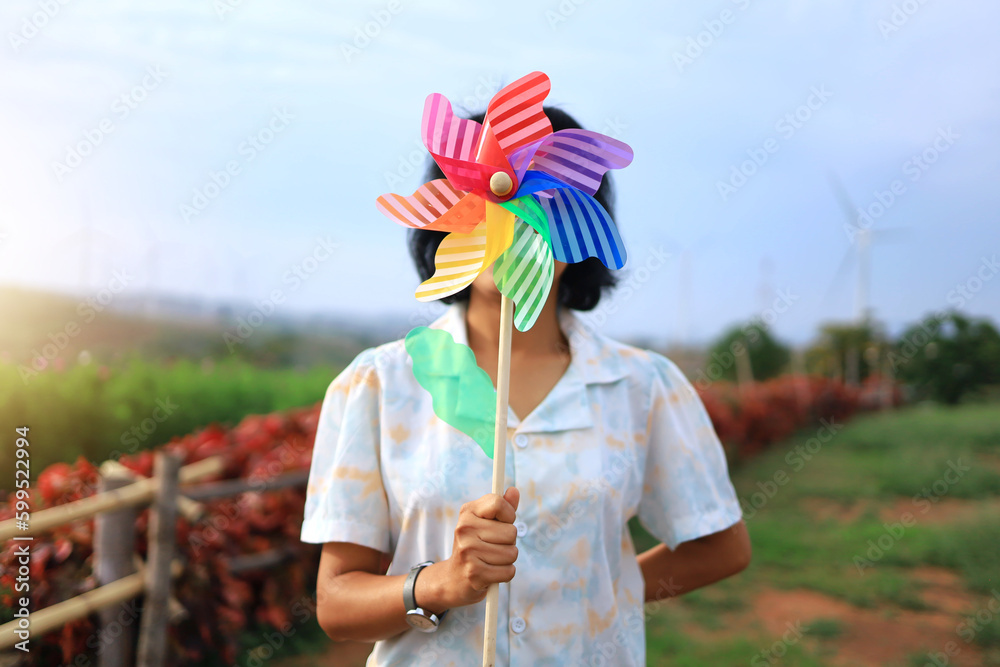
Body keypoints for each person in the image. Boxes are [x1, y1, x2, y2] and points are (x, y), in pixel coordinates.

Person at [300, 107, 751, 666]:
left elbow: (721, 547)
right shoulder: (375, 384)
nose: (511, 221)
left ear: (583, 228)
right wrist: (442, 582)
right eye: (488, 199)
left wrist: (596, 594)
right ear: (446, 216)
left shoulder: (645, 386)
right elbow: (336, 603)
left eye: (544, 201)